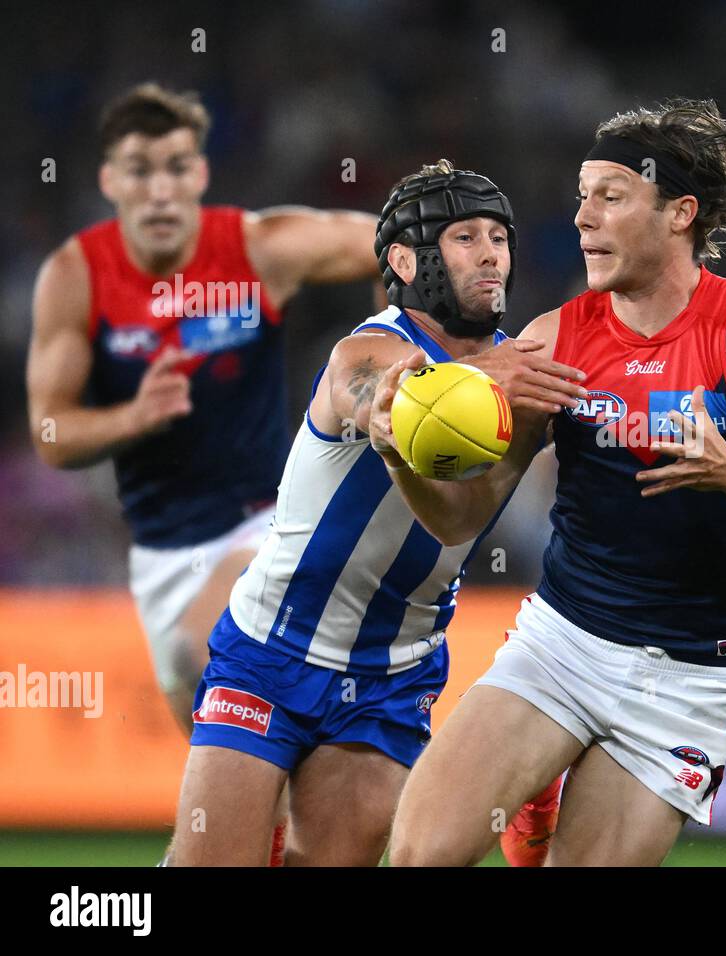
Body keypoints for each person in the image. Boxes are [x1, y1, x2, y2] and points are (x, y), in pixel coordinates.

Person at [380, 98, 726, 867]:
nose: (582, 218)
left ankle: (547, 794)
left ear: (679, 213)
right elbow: (462, 520)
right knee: (421, 855)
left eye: (610, 196)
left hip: (690, 676)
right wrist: (403, 455)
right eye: (581, 197)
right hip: (562, 643)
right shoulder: (555, 339)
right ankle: (536, 782)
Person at [167, 161, 587, 865]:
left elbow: (459, 522)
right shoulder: (365, 351)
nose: (491, 254)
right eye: (463, 237)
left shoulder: (526, 383)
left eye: (498, 237)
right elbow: (387, 394)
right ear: (405, 259)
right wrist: (428, 407)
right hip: (271, 650)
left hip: (393, 671)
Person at [26, 83, 380, 732]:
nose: (160, 189)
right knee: (219, 754)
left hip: (271, 521)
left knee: (202, 654)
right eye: (140, 170)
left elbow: (391, 243)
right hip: (162, 552)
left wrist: (386, 363)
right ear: (110, 179)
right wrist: (135, 416)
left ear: (202, 173)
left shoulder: (255, 248)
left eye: (177, 167)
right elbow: (51, 434)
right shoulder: (76, 277)